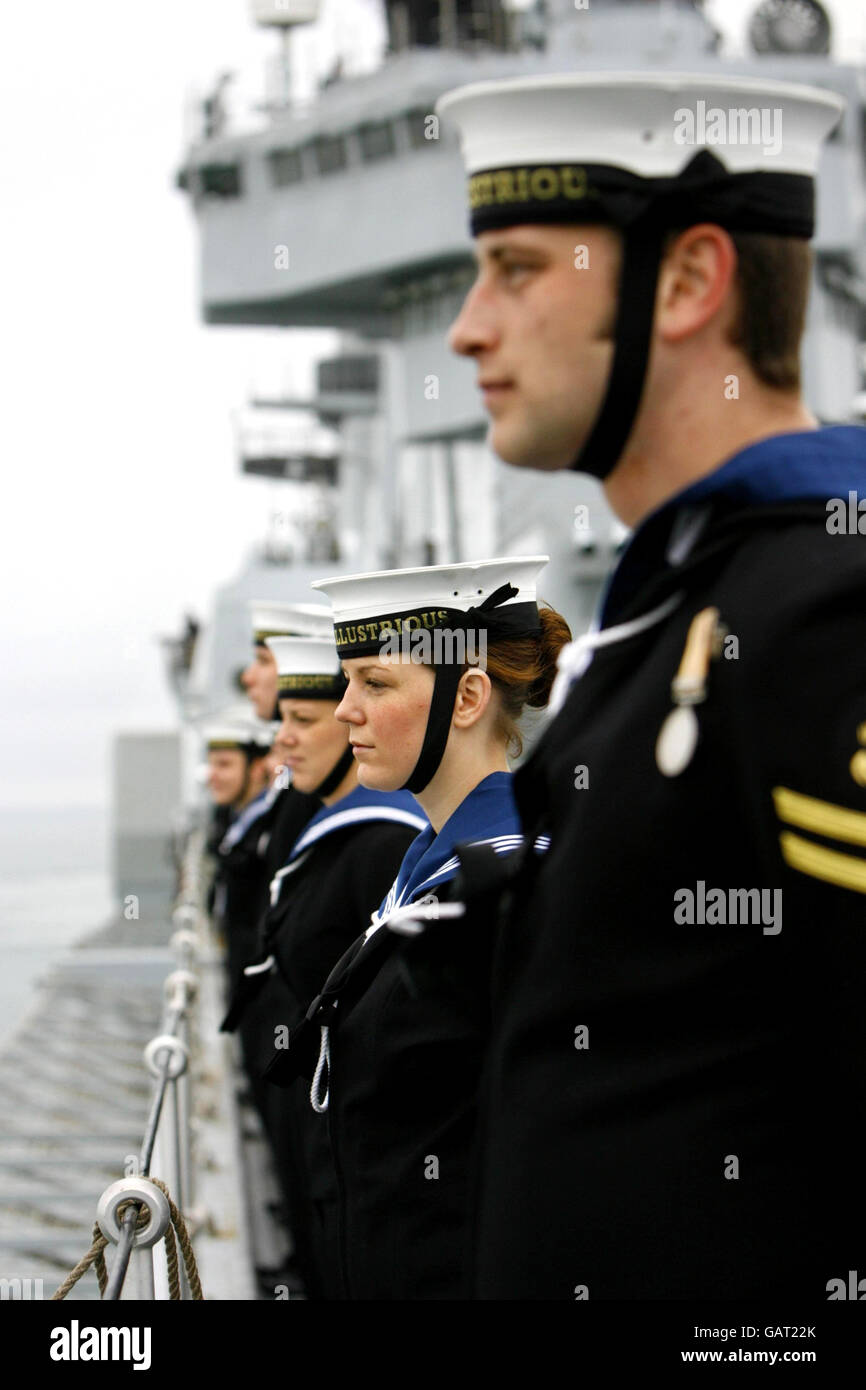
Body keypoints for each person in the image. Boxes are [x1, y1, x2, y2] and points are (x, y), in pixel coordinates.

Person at [433, 70, 866, 1298]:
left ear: (684, 283)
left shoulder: (823, 608)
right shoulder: (675, 612)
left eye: (516, 269)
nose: (468, 328)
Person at [266, 556, 571, 1298]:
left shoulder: (512, 893)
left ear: (467, 697)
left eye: (375, 683)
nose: (345, 710)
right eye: (347, 684)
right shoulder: (425, 865)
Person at [232, 630, 427, 1299]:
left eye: (303, 720)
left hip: (377, 1173)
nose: (283, 739)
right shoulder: (329, 821)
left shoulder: (382, 845)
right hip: (321, 1128)